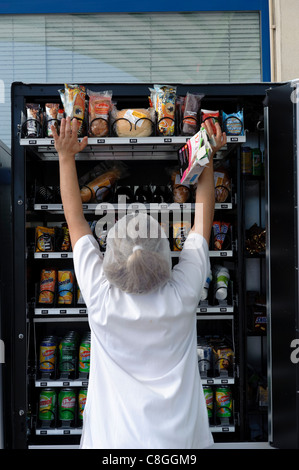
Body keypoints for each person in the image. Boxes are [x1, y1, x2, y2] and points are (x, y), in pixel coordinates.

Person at [51, 116, 226, 449]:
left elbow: (74, 219)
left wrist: (64, 157)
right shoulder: (182, 293)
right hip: (181, 445)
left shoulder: (101, 296)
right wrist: (205, 156)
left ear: (110, 260)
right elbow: (203, 219)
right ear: (164, 255)